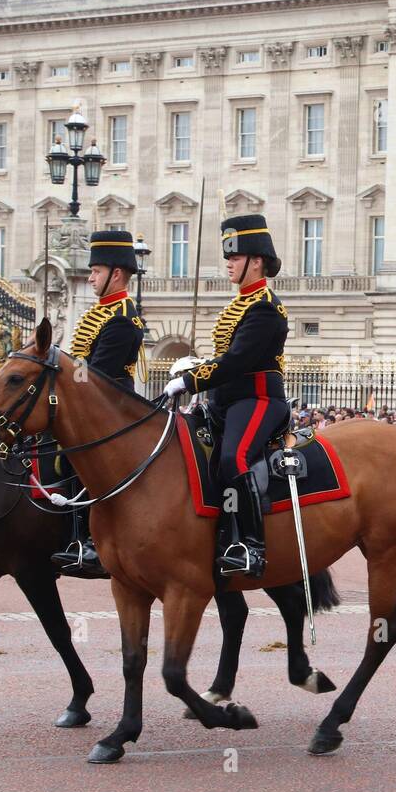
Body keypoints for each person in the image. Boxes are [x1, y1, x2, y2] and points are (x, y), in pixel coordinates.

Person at [165, 213, 288, 579]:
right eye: (229, 258)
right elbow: (226, 356)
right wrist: (200, 365)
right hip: (226, 401)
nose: (229, 264)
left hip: (258, 400)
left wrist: (190, 381)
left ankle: (250, 545)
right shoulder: (237, 305)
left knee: (235, 458)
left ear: (257, 261)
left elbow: (238, 362)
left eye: (235, 258)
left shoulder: (264, 306)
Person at [50, 229, 147, 579]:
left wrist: (65, 378)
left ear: (116, 274)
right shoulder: (99, 312)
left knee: (80, 460)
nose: (90, 277)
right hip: (88, 403)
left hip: (111, 406)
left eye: (96, 271)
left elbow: (94, 374)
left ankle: (88, 541)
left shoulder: (122, 318)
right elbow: (79, 365)